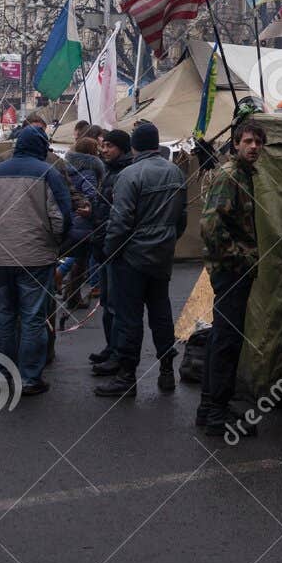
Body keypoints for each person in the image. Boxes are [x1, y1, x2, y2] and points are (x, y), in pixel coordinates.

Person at [0, 125, 71, 397]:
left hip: (1, 258)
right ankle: (30, 379)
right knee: (32, 318)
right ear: (41, 147)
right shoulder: (48, 173)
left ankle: (1, 377)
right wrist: (54, 243)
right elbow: (61, 219)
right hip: (37, 258)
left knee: (4, 317)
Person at [93, 121, 186, 399]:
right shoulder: (176, 173)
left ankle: (126, 376)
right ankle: (167, 370)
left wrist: (110, 250)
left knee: (128, 318)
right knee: (161, 313)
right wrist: (167, 240)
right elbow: (181, 220)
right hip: (161, 256)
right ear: (157, 144)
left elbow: (119, 221)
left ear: (133, 146)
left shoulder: (130, 175)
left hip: (131, 257)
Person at [198, 117, 266, 435]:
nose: (253, 147)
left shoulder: (242, 174)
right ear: (236, 143)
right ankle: (215, 411)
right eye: (248, 141)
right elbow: (211, 225)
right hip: (231, 270)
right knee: (227, 338)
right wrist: (238, 258)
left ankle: (210, 404)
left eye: (258, 142)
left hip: (232, 269)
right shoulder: (230, 176)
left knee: (222, 336)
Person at [88, 128, 132, 364]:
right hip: (104, 245)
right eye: (103, 146)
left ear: (122, 148)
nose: (104, 150)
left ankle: (118, 355)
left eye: (109, 146)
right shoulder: (109, 171)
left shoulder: (124, 173)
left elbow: (121, 216)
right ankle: (110, 347)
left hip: (116, 248)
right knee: (107, 302)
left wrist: (110, 244)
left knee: (116, 305)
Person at [60, 134, 105, 311]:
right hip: (83, 221)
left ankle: (71, 294)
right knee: (81, 260)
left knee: (72, 256)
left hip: (70, 218)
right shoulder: (88, 170)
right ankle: (73, 295)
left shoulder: (67, 169)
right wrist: (91, 209)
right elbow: (91, 193)